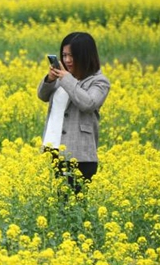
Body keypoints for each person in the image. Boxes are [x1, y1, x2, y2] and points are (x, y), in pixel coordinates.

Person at [38, 32, 110, 195]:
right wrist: (49, 79)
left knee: (72, 208)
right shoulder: (61, 77)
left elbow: (88, 103)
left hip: (79, 156)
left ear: (86, 56)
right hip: (53, 151)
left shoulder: (99, 82)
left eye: (72, 55)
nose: (67, 60)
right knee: (55, 207)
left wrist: (66, 78)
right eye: (64, 55)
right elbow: (42, 96)